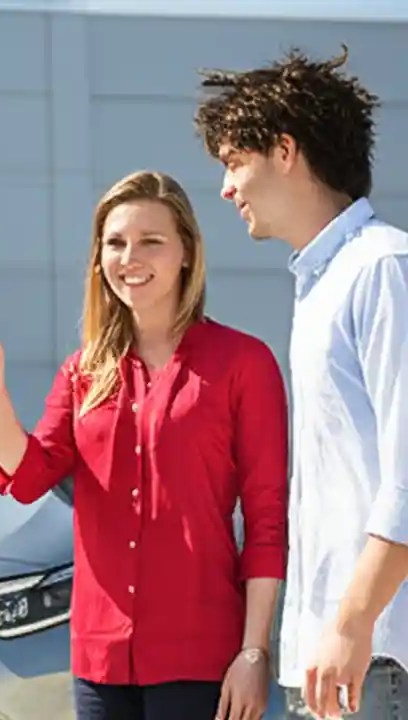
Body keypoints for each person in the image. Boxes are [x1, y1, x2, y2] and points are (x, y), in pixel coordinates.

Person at [0, 170, 289, 720]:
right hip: (101, 660)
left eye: (150, 241)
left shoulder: (244, 365)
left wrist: (255, 650)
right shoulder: (83, 372)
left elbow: (266, 519)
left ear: (187, 253)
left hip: (200, 655)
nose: (129, 257)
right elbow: (30, 477)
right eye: (115, 243)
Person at [194, 46, 408, 719]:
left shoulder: (384, 268)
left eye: (234, 163)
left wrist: (351, 622)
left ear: (284, 150)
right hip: (331, 657)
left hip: (375, 655)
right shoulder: (322, 283)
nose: (226, 189)